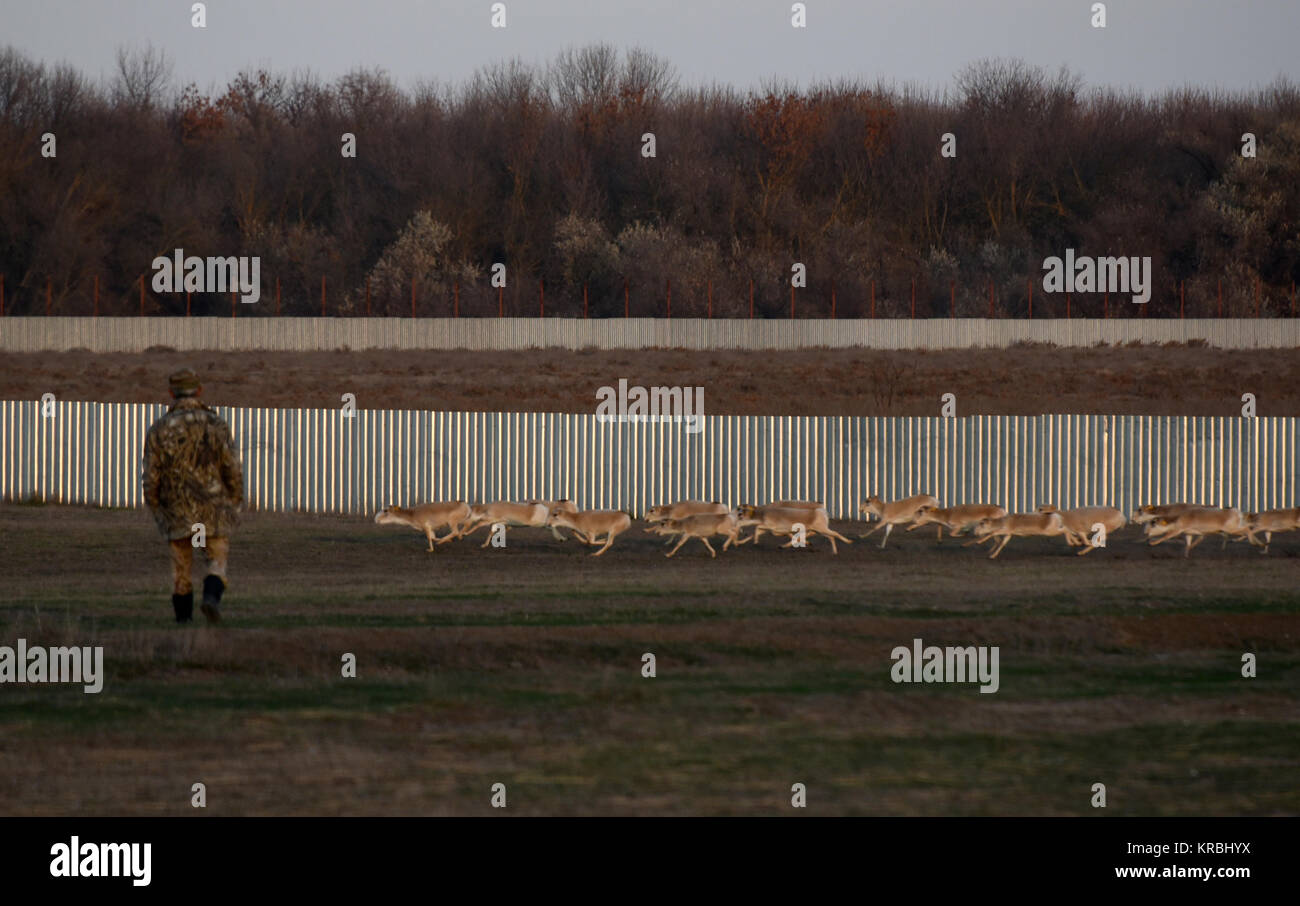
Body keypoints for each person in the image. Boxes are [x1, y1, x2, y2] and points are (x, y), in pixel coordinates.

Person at [141, 368, 244, 624]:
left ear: (171, 392)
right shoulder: (216, 424)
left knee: (181, 569)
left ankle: (183, 621)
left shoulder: (159, 429)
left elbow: (151, 477)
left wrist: (155, 505)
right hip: (214, 508)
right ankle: (210, 598)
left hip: (176, 509)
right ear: (199, 391)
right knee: (216, 561)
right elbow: (231, 467)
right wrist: (235, 497)